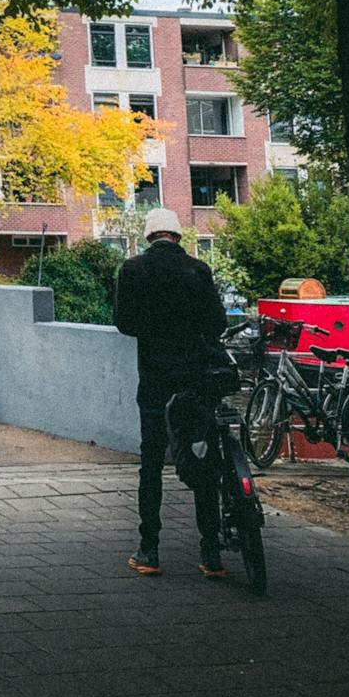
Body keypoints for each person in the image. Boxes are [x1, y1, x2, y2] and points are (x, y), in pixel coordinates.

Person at [113, 207, 228, 578]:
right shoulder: (197, 270)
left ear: (149, 236)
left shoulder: (132, 270)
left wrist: (154, 329)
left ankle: (149, 550)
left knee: (151, 461)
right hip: (195, 380)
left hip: (155, 379)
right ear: (178, 236)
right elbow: (218, 324)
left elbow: (124, 323)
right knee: (203, 454)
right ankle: (211, 553)